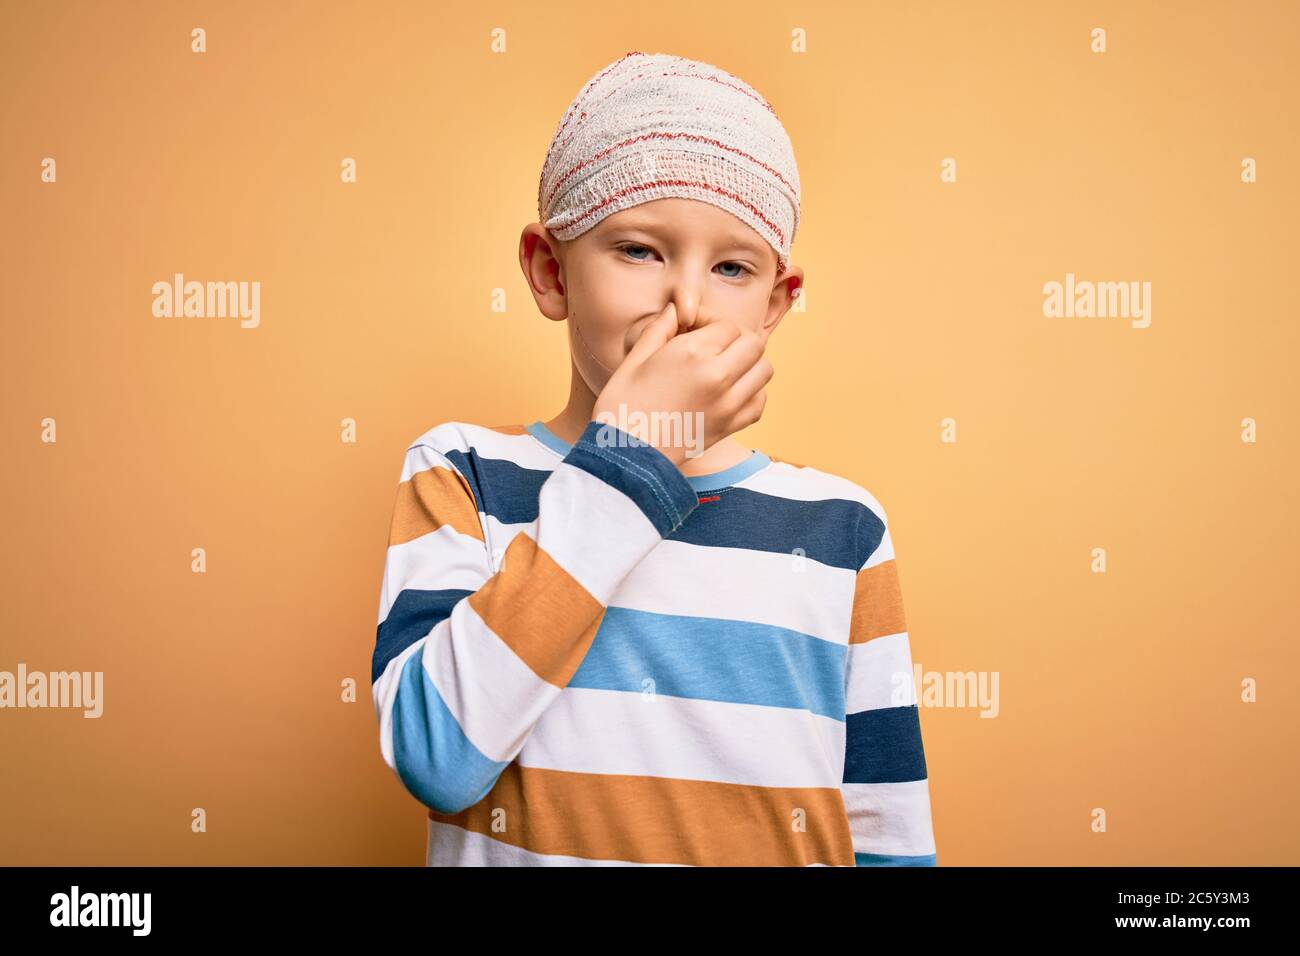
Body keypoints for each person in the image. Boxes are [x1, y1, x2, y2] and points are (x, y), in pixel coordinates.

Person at [370, 50, 937, 866]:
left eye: (733, 267)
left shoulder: (843, 527)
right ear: (548, 270)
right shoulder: (461, 475)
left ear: (776, 303)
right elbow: (438, 759)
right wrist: (632, 460)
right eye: (640, 250)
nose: (689, 302)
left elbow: (889, 828)